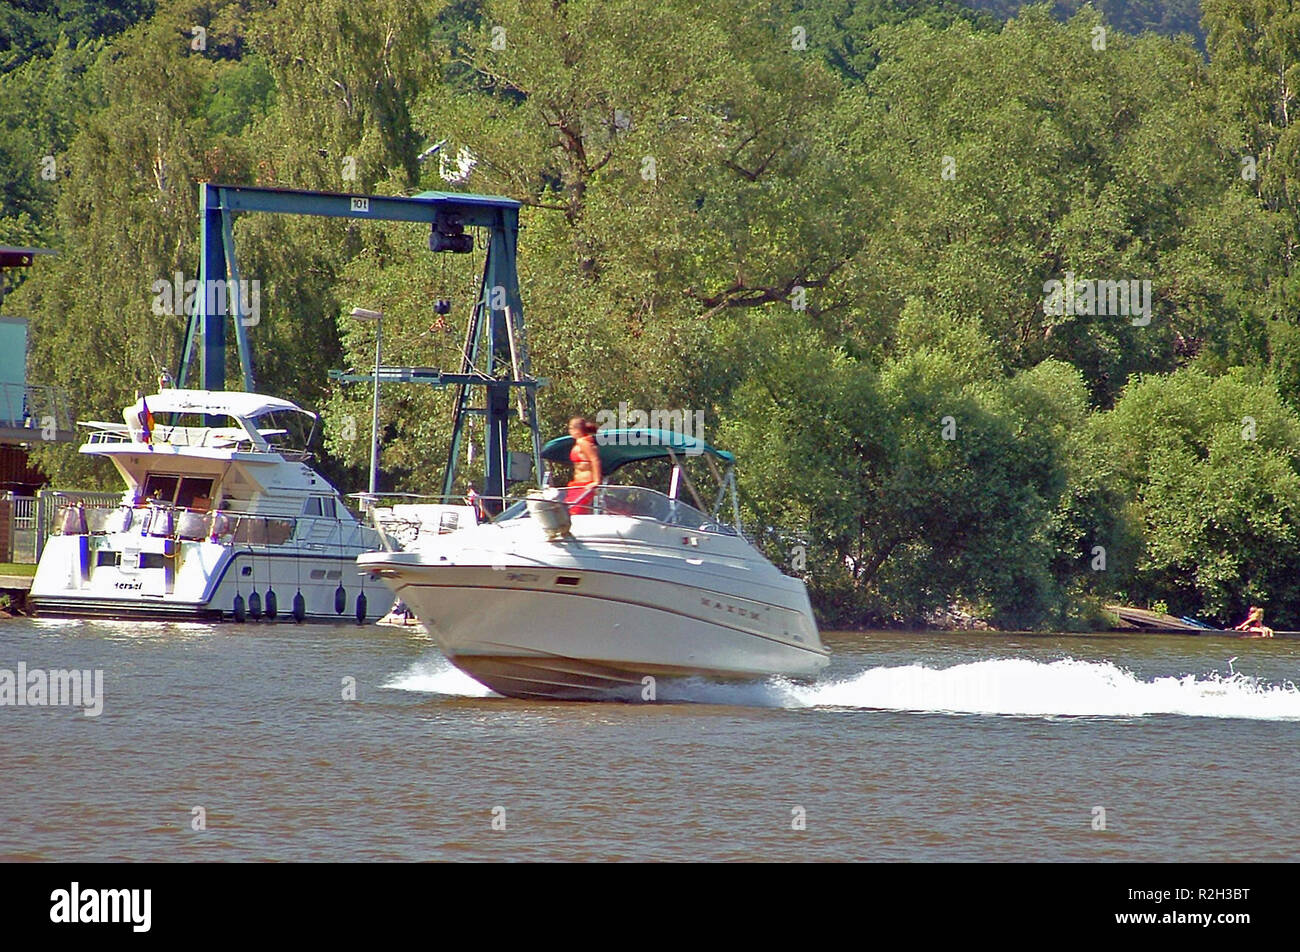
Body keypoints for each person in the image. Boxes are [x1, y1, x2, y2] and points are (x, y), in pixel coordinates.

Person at [565, 416, 602, 515]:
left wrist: (596, 481)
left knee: (573, 511)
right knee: (573, 511)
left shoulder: (583, 442)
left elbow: (595, 460)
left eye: (570, 428)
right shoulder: (580, 442)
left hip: (585, 484)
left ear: (576, 430)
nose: (569, 431)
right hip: (577, 484)